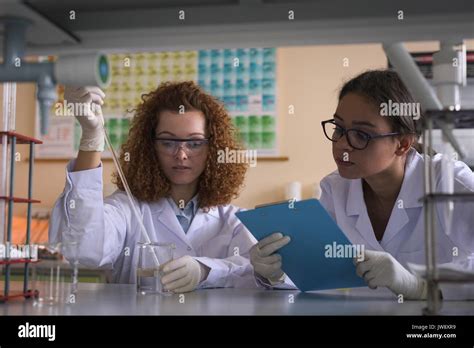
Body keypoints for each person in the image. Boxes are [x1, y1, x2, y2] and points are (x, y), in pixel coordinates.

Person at [250, 70, 474, 299]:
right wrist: (277, 271)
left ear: (403, 144)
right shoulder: (335, 189)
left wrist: (418, 286)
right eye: (338, 128)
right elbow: (321, 273)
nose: (342, 145)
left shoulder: (450, 183)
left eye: (361, 134)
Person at [49, 81, 262, 293]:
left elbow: (263, 274)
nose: (181, 154)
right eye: (168, 142)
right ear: (150, 146)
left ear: (213, 148)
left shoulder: (233, 220)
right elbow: (86, 250)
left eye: (195, 143)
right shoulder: (127, 209)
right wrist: (91, 136)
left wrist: (206, 270)